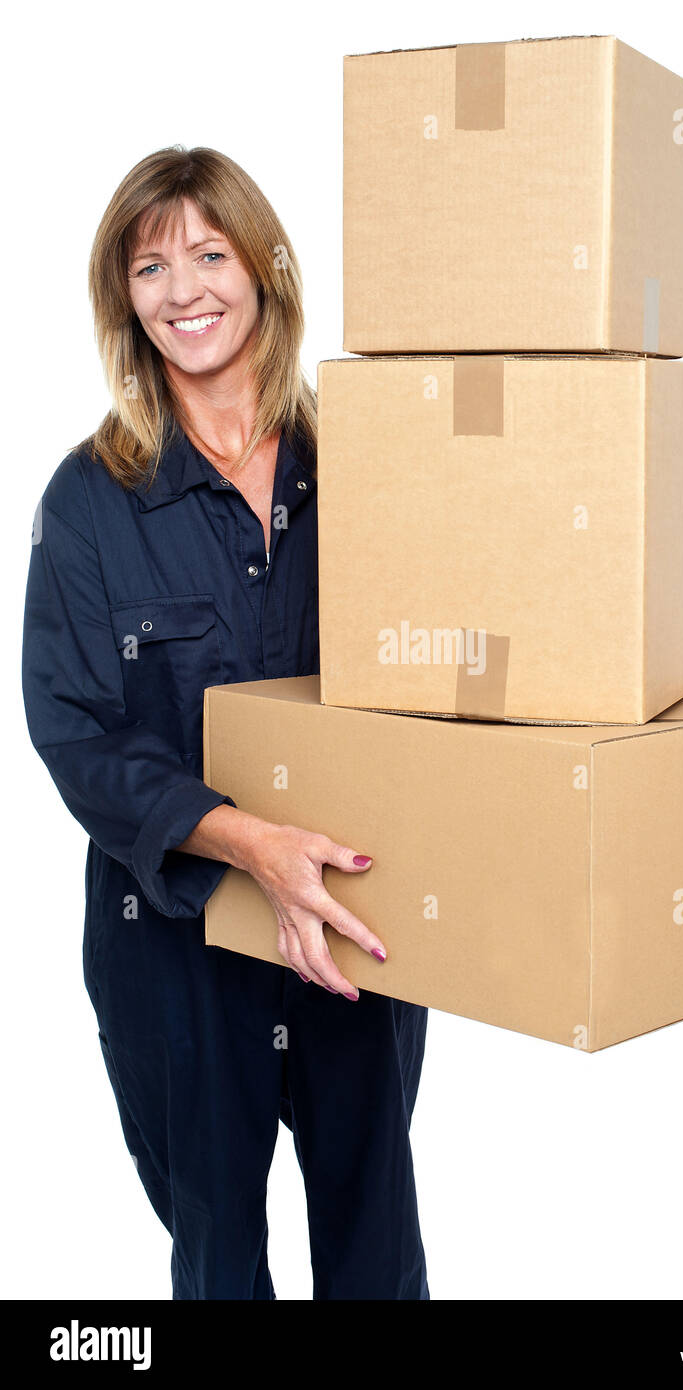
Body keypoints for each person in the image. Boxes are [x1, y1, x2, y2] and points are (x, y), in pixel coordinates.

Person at [22, 145, 429, 1301]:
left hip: (354, 919)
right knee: (216, 1264)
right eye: (149, 266)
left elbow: (441, 666)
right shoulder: (90, 500)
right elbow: (77, 731)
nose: (184, 287)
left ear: (264, 268)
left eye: (210, 251)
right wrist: (249, 843)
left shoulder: (365, 466)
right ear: (123, 298)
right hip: (173, 944)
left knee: (376, 1247)